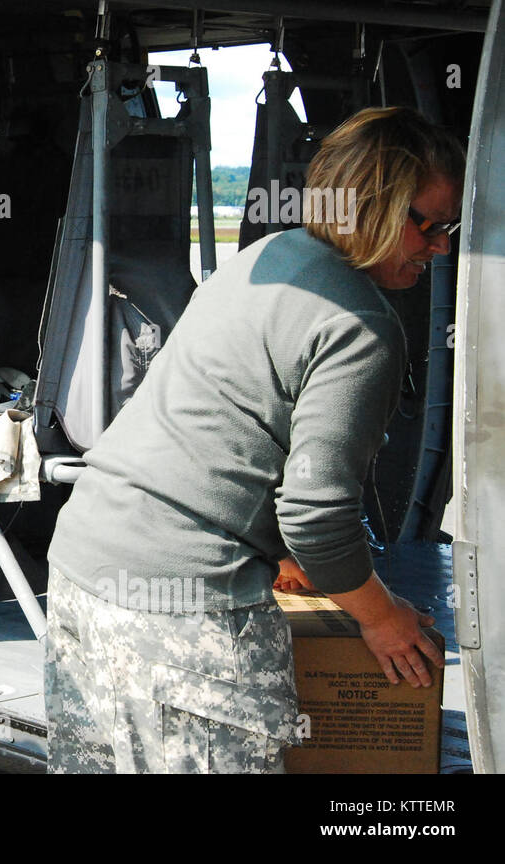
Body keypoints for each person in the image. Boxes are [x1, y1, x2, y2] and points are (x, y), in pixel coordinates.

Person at [44, 106, 459, 773]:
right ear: (373, 205)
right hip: (184, 603)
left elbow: (243, 427)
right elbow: (317, 512)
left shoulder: (269, 258)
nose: (441, 248)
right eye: (430, 226)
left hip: (86, 564)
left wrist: (292, 552)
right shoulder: (360, 327)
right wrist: (382, 617)